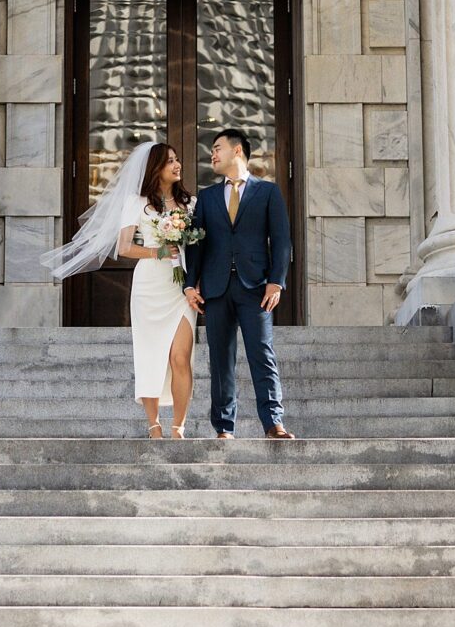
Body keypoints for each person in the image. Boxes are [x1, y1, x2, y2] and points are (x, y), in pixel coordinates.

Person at [42, 141, 196, 438]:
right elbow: (124, 247)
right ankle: (154, 425)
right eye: (169, 161)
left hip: (180, 288)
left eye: (177, 159)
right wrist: (158, 252)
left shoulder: (191, 204)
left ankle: (179, 426)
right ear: (155, 168)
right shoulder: (136, 203)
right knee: (150, 354)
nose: (177, 165)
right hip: (149, 285)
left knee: (180, 356)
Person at [183, 128, 295, 440]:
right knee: (220, 360)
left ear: (237, 151)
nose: (212, 155)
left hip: (256, 288)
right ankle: (224, 427)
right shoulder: (207, 197)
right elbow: (196, 246)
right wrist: (190, 284)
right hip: (216, 289)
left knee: (262, 353)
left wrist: (276, 282)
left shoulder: (268, 192)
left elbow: (281, 240)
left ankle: (273, 423)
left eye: (217, 148)